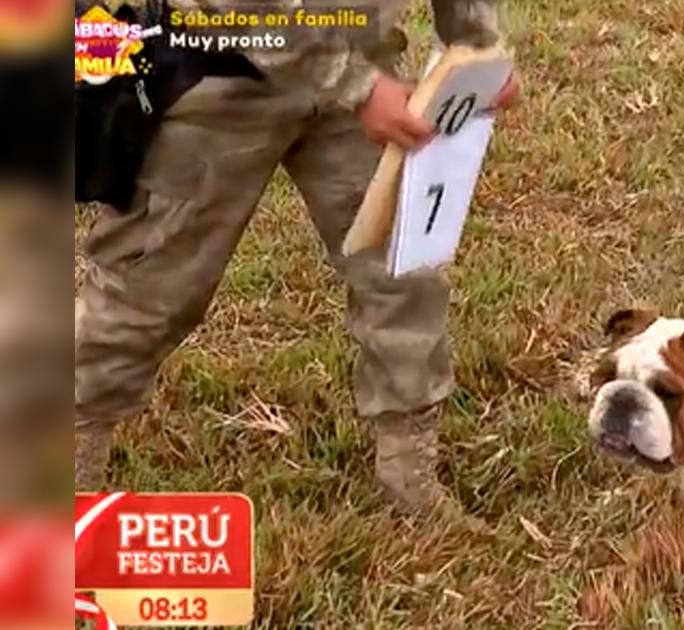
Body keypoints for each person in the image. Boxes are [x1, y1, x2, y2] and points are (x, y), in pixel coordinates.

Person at [73, 0, 521, 519]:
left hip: (362, 61)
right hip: (223, 68)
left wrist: (476, 45)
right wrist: (358, 86)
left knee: (405, 269)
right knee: (144, 294)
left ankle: (409, 476)